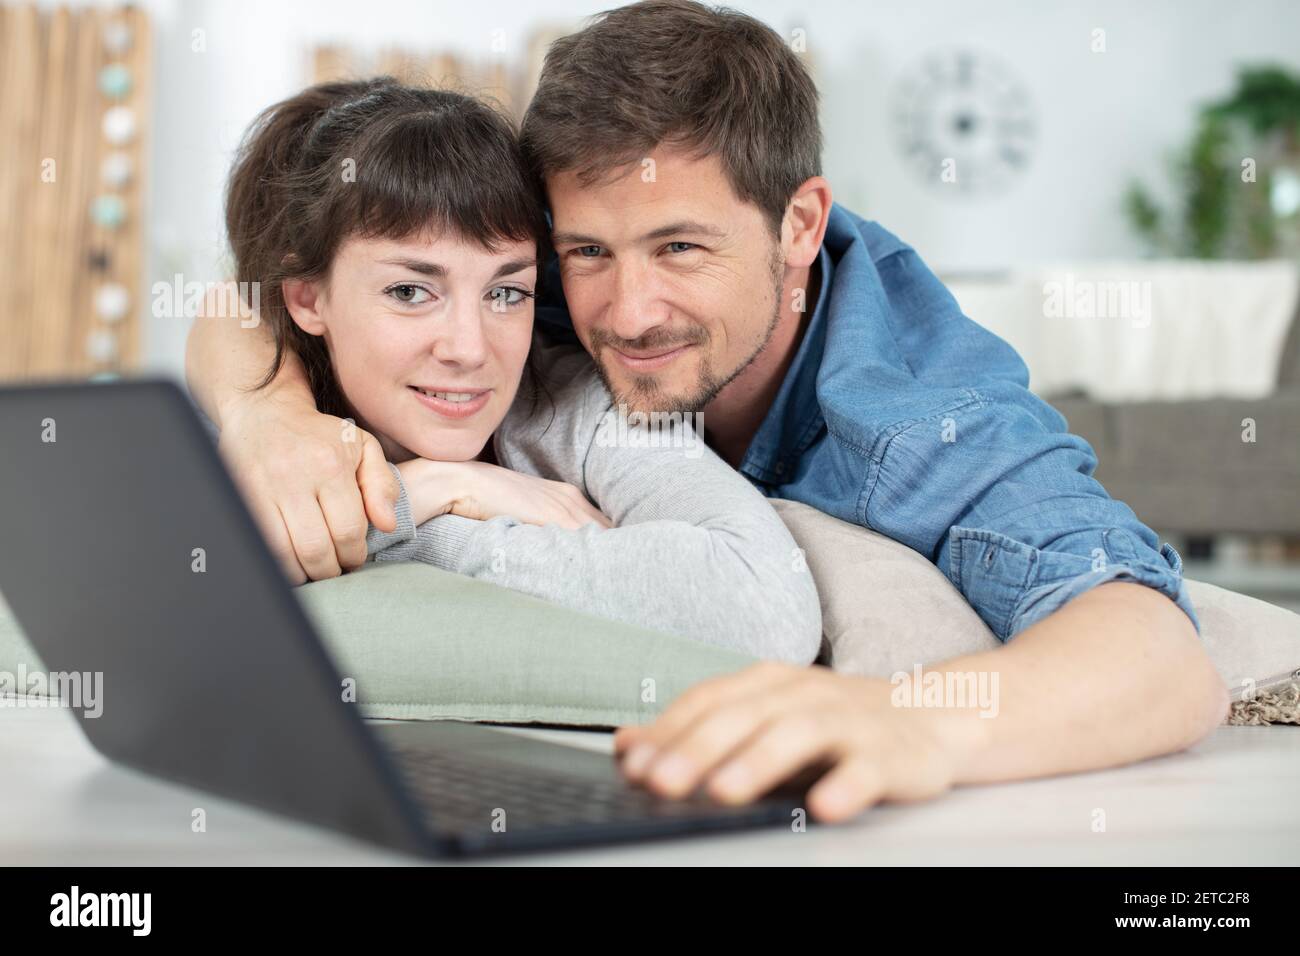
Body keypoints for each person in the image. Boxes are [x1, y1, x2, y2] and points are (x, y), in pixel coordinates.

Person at [188, 2, 1228, 822]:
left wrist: (911, 723)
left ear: (799, 226)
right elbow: (253, 294)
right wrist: (268, 418)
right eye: (586, 252)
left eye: (680, 248)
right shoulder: (526, 286)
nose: (628, 312)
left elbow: (1159, 653)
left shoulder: (920, 417)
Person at [210, 76, 821, 661]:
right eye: (409, 291)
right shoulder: (254, 431)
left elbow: (764, 610)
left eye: (505, 293)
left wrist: (407, 515)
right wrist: (434, 490)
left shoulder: (575, 407)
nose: (469, 349)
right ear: (307, 298)